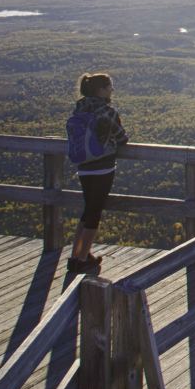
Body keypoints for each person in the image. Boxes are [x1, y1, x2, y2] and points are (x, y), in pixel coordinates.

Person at [65, 72, 127, 275]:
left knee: (87, 210)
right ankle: (83, 259)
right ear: (101, 90)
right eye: (109, 86)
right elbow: (121, 138)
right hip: (103, 166)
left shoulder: (80, 107)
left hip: (83, 165)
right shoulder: (107, 111)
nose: (112, 90)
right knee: (94, 213)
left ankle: (76, 256)